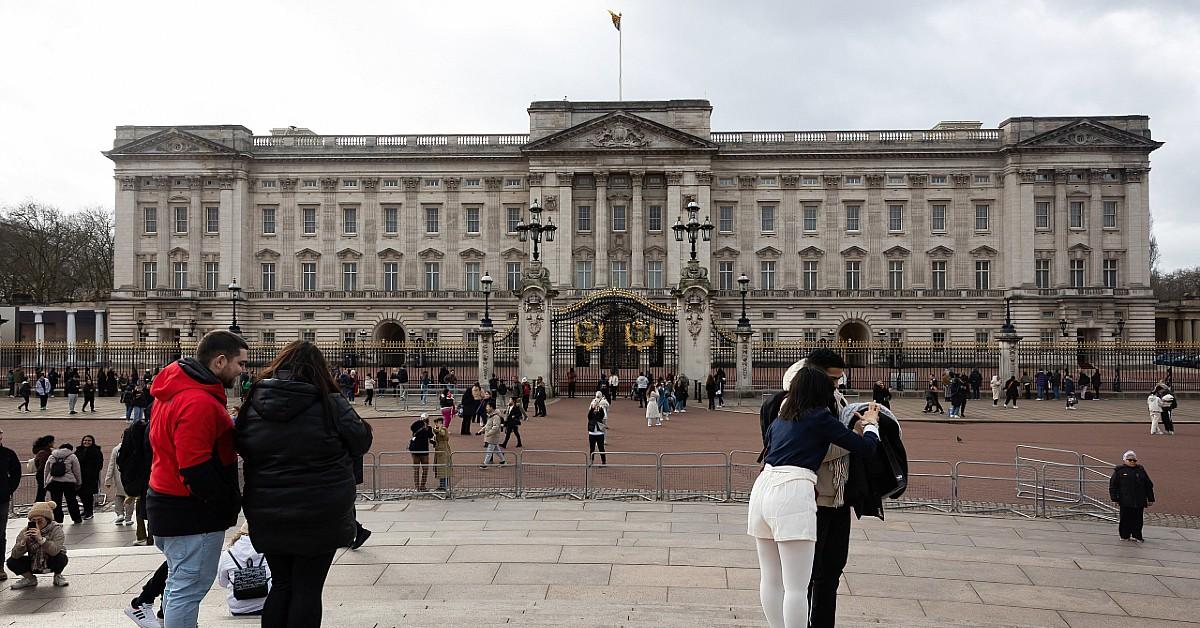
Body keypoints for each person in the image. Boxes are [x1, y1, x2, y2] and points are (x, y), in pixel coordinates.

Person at [236, 340, 373, 628]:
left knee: (282, 584)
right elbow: (361, 441)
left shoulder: (254, 401)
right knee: (308, 588)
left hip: (267, 508)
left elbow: (242, 445)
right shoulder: (331, 402)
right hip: (321, 509)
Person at [749, 364, 880, 628]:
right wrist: (871, 425)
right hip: (793, 489)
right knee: (796, 587)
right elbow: (865, 448)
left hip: (762, 488)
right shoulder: (819, 417)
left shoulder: (782, 417)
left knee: (771, 579)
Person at [147, 330, 248, 628]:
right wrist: (223, 502)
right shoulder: (198, 402)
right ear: (219, 361)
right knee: (187, 590)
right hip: (191, 511)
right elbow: (195, 468)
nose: (243, 371)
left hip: (168, 501)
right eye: (239, 364)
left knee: (179, 585)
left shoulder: (174, 393)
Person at [6, 500, 69, 589]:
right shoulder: (25, 531)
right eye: (33, 521)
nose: (36, 524)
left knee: (61, 558)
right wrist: (22, 542)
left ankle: (58, 576)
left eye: (39, 521)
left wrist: (41, 540)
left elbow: (54, 551)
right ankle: (30, 579)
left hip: (50, 559)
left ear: (47, 520)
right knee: (11, 561)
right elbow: (15, 555)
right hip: (34, 560)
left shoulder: (56, 529)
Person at [216, 523, 272, 617]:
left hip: (237, 607)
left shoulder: (227, 554)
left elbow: (222, 582)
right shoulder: (269, 551)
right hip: (265, 604)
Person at [1110, 451, 1154, 542]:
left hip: (1139, 500)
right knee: (1125, 519)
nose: (1132, 462)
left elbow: (1148, 485)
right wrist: (1114, 498)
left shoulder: (1141, 470)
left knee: (1138, 520)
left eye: (1134, 460)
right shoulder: (1119, 471)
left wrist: (1150, 498)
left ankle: (1137, 535)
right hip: (1125, 500)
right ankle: (1124, 535)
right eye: (1130, 460)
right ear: (1125, 460)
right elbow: (1113, 486)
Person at [0, 428, 22, 582]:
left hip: (1, 499)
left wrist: (8, 489)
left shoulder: (8, 454)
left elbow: (16, 473)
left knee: (0, 534)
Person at [44, 443, 83, 524]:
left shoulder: (52, 456)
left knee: (56, 502)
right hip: (69, 482)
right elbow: (77, 471)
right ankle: (76, 518)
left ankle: (58, 519)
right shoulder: (72, 456)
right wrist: (79, 482)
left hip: (54, 482)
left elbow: (47, 471)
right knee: (72, 500)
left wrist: (46, 482)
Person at [104, 442, 135, 526]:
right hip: (127, 477)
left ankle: (120, 514)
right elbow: (111, 464)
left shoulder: (116, 449)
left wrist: (108, 480)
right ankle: (127, 517)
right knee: (128, 496)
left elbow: (111, 465)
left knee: (120, 496)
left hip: (121, 477)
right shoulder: (131, 448)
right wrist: (108, 480)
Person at [75, 435, 104, 521]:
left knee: (88, 495)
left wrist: (93, 472)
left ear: (92, 442)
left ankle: (89, 512)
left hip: (91, 478)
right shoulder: (78, 450)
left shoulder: (96, 451)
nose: (86, 442)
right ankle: (85, 509)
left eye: (89, 441)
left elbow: (99, 464)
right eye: (85, 440)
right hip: (80, 477)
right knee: (81, 494)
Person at [477, 398, 506, 469]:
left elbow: (495, 427)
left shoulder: (496, 417)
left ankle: (485, 464)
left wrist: (488, 433)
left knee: (489, 451)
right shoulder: (490, 415)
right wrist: (481, 430)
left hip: (493, 436)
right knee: (497, 450)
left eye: (487, 406)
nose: (486, 408)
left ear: (491, 407)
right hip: (491, 436)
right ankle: (503, 460)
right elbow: (487, 425)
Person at [409, 413, 433, 491]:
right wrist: (421, 423)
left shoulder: (429, 428)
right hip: (416, 451)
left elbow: (430, 435)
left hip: (424, 451)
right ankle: (417, 487)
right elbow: (412, 427)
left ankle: (422, 485)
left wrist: (427, 427)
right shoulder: (417, 426)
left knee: (425, 469)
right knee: (416, 469)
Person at [432, 415, 452, 492]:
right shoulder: (437, 430)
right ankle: (442, 485)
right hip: (439, 450)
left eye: (437, 423)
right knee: (440, 468)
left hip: (444, 450)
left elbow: (442, 434)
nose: (436, 425)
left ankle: (444, 485)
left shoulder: (443, 429)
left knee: (444, 468)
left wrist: (439, 427)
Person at [31, 435, 54, 503]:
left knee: (41, 492)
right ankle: (39, 507)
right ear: (49, 443)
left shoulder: (43, 451)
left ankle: (40, 506)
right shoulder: (44, 452)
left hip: (42, 474)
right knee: (41, 493)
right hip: (43, 474)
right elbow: (43, 465)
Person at [587, 397, 608, 465]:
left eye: (597, 408)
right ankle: (591, 461)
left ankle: (603, 461)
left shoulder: (600, 414)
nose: (596, 409)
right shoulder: (591, 415)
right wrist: (593, 407)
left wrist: (600, 406)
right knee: (592, 448)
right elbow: (589, 415)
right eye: (595, 408)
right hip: (592, 434)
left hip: (600, 434)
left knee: (601, 448)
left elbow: (602, 414)